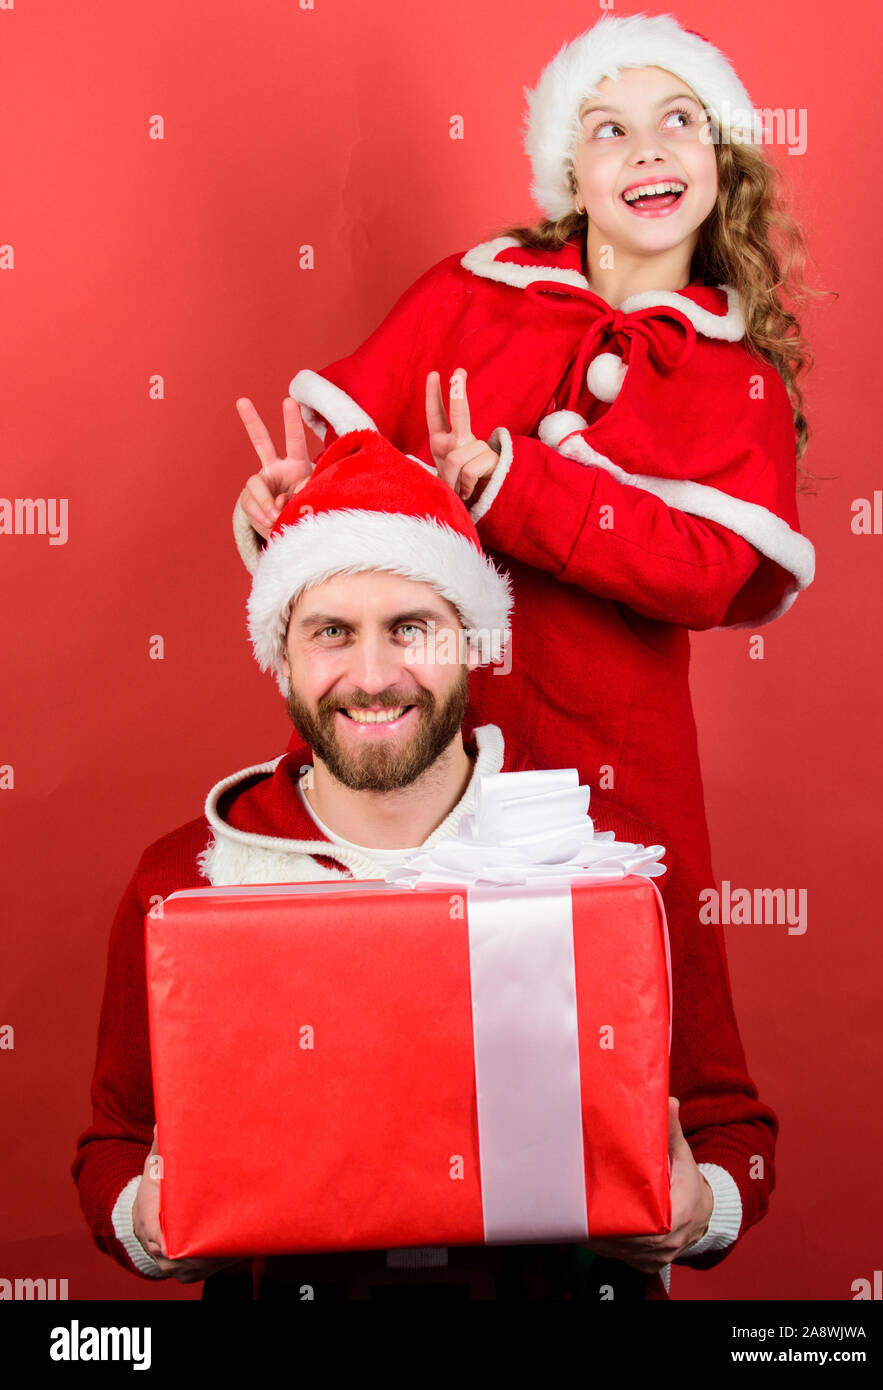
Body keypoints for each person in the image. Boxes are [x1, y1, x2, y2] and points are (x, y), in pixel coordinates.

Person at [72, 428, 777, 1301]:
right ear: (281, 651)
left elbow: (731, 1130)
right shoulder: (186, 876)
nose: (373, 676)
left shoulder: (612, 857)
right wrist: (144, 1219)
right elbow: (113, 1147)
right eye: (333, 630)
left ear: (473, 642)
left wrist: (701, 1206)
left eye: (412, 628)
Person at [232, 14, 819, 1039]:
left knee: (612, 1037)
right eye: (607, 128)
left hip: (613, 757)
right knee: (375, 1023)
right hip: (410, 736)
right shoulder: (468, 296)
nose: (645, 148)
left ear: (720, 160)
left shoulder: (738, 380)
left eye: (678, 119)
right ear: (569, 174)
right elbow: (358, 492)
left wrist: (516, 490)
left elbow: (708, 570)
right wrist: (300, 510)